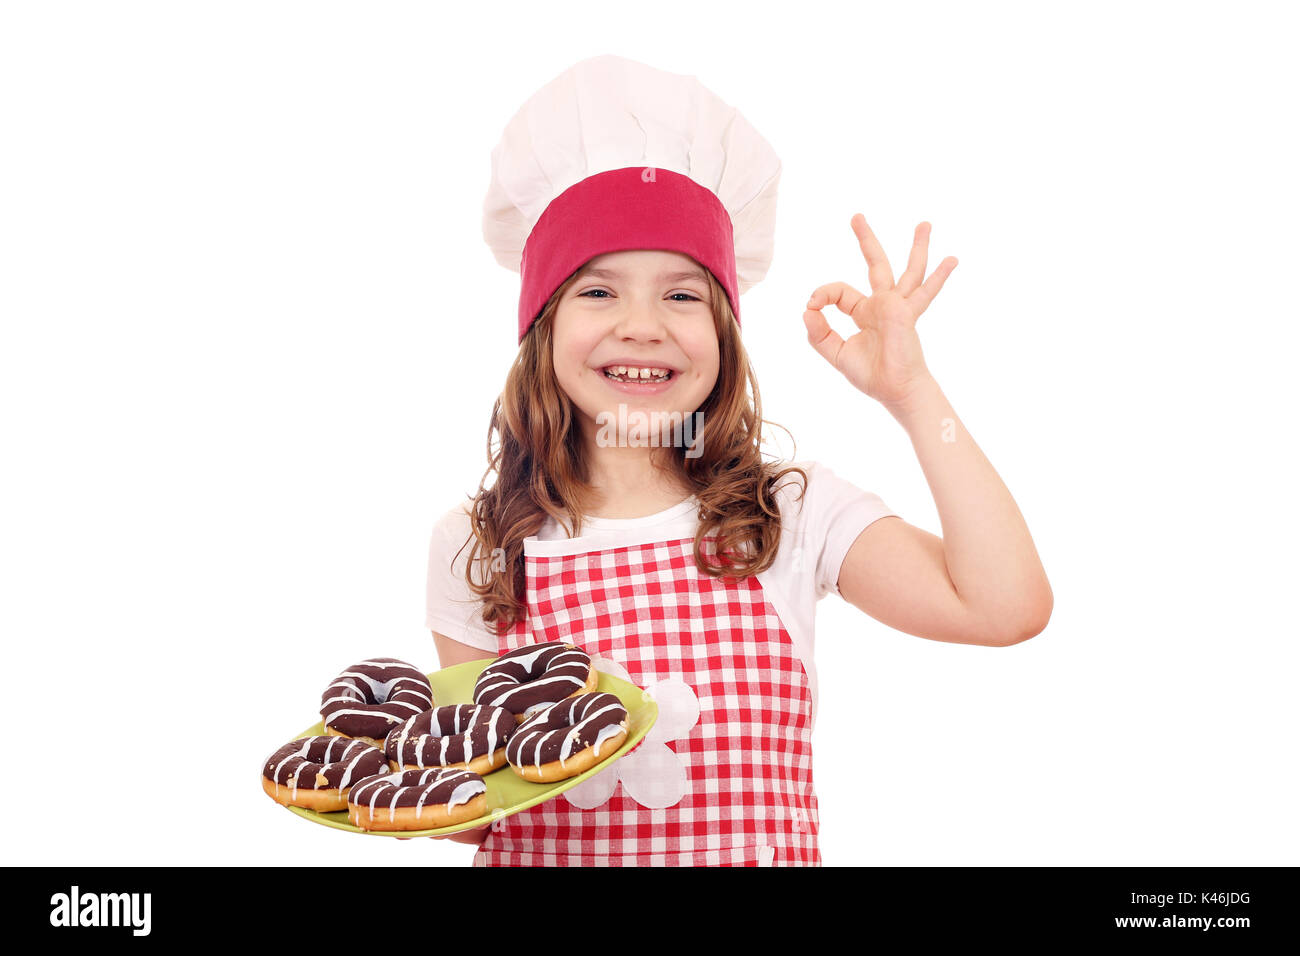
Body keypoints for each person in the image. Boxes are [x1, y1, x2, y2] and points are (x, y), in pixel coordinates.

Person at [424, 55, 1052, 866]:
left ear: (724, 333)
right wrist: (412, 768)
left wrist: (912, 395)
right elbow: (484, 812)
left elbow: (1004, 608)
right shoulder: (478, 546)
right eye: (598, 290)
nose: (643, 324)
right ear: (540, 330)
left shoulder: (789, 514)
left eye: (683, 294)